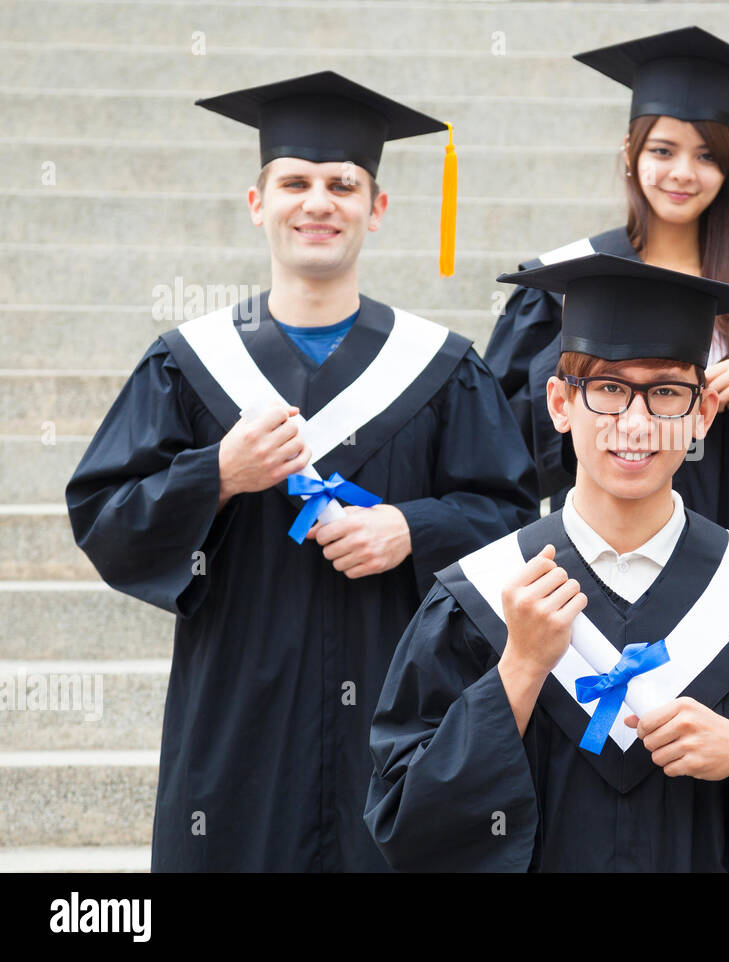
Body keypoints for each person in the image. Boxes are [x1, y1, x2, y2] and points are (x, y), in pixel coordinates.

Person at [65, 71, 538, 872]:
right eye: (295, 183)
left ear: (375, 209)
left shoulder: (442, 368)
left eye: (342, 185)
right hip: (237, 716)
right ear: (258, 203)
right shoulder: (188, 365)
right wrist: (216, 474)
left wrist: (412, 528)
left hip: (397, 703)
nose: (318, 202)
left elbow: (515, 521)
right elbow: (106, 519)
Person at [365, 253, 729, 871]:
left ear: (703, 414)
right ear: (559, 404)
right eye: (608, 389)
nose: (637, 422)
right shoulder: (482, 598)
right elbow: (407, 824)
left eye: (667, 393)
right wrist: (518, 670)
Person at [484, 26, 729, 531]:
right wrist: (579, 349)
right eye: (663, 151)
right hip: (593, 545)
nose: (684, 172)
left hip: (728, 550)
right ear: (631, 151)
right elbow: (499, 446)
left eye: (707, 155)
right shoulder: (565, 287)